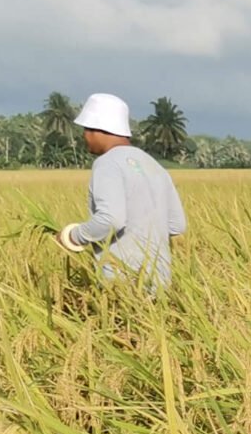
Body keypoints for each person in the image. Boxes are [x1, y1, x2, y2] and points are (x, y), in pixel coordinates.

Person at [56, 93, 185, 294]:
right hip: (160, 282)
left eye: (86, 130)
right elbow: (177, 225)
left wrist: (73, 237)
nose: (85, 137)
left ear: (97, 129)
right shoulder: (154, 165)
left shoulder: (108, 163)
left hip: (123, 284)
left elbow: (111, 220)